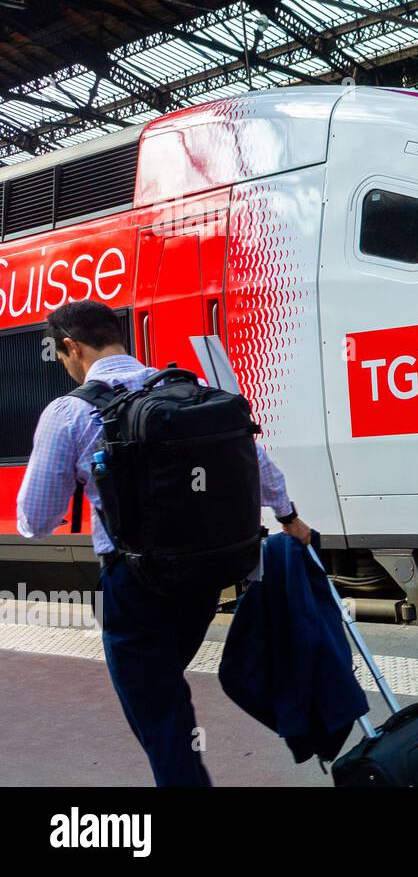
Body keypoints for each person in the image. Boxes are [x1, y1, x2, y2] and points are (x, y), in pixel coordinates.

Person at [16, 300, 311, 786]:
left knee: (160, 717)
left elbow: (35, 519)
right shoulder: (188, 390)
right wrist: (290, 518)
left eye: (61, 355)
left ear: (70, 346)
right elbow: (257, 463)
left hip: (135, 586)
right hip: (204, 579)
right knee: (163, 696)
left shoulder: (68, 412)